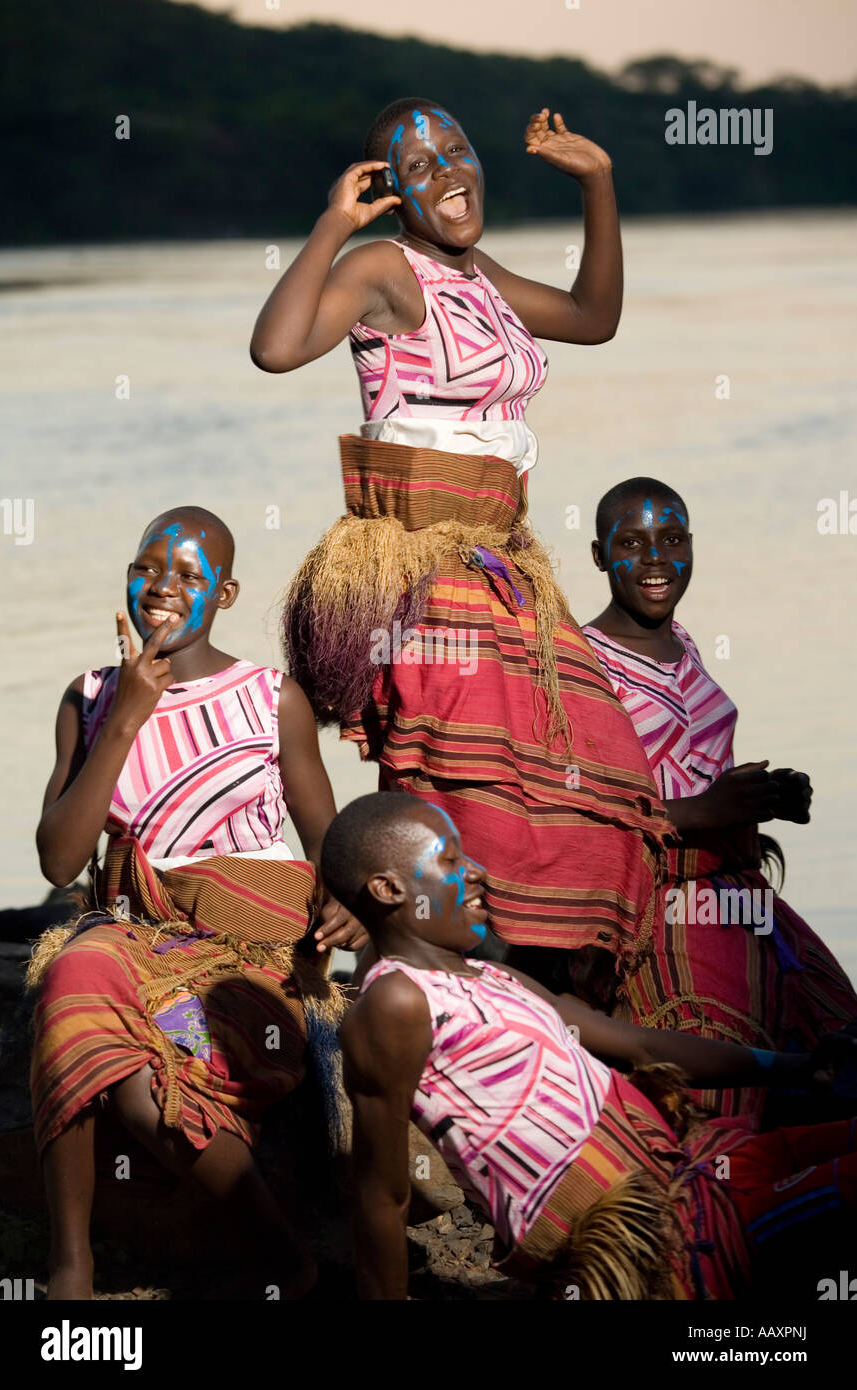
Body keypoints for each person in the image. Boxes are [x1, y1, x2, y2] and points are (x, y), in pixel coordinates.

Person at [250, 97, 671, 1005]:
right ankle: (443, 1001)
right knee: (468, 787)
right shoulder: (383, 267)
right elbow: (277, 348)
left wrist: (598, 183)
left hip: (504, 562)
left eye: (457, 148)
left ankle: (544, 997)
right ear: (392, 192)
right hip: (425, 571)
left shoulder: (476, 274)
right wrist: (331, 224)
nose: (447, 168)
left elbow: (594, 317)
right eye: (419, 161)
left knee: (594, 768)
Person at [325, 791, 857, 1301]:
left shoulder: (496, 978)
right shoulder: (396, 1000)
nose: (478, 872)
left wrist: (799, 1067)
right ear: (389, 890)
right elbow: (381, 1194)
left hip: (695, 1173)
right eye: (451, 861)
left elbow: (642, 1046)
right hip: (662, 1243)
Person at [30, 506, 365, 1300]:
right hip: (134, 940)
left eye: (189, 573)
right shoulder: (90, 698)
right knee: (76, 973)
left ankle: (279, 1255)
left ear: (228, 591)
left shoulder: (270, 698)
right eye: (149, 567)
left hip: (248, 954)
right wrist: (126, 719)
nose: (163, 587)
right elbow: (58, 859)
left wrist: (347, 903)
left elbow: (328, 847)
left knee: (158, 1063)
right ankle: (71, 1264)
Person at [582, 478, 857, 1121]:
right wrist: (703, 812)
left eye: (673, 539)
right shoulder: (583, 662)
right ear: (599, 555)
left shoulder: (686, 645)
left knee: (835, 1045)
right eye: (632, 542)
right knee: (725, 1084)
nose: (656, 559)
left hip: (738, 891)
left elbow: (696, 767)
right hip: (662, 903)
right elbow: (584, 813)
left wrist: (763, 795)